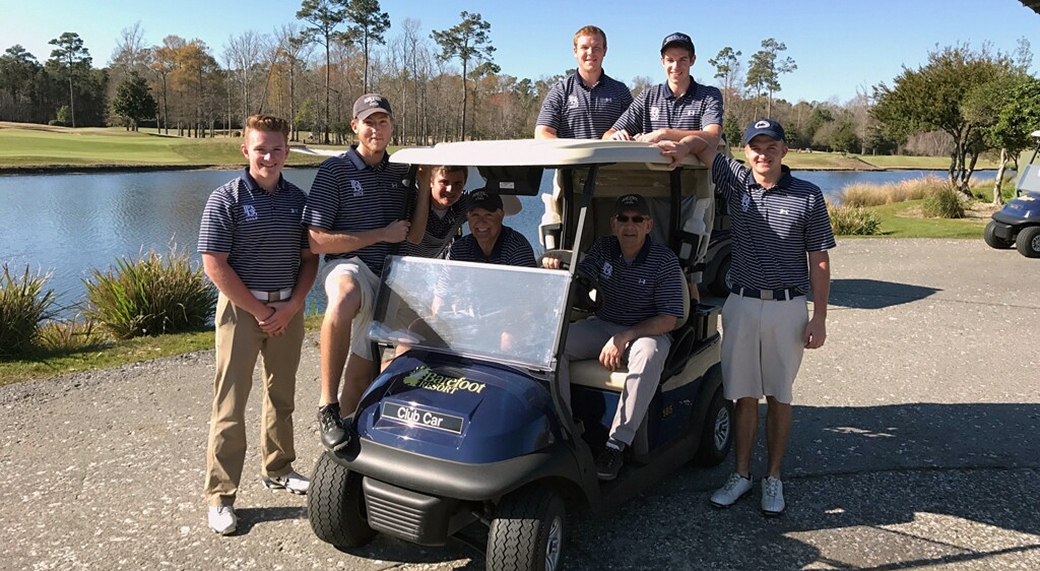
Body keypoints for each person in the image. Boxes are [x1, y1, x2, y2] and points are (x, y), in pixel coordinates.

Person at [657, 119, 834, 516]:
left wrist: (819, 317)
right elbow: (706, 146)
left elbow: (819, 260)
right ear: (748, 151)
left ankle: (773, 478)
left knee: (779, 395)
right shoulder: (737, 180)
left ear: (784, 151)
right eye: (756, 146)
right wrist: (676, 143)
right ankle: (741, 475)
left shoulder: (808, 195)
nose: (762, 154)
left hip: (787, 308)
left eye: (771, 147)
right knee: (743, 395)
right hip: (740, 303)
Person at [198, 114, 319, 535]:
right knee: (230, 405)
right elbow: (215, 264)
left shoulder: (298, 201)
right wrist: (259, 310)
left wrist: (292, 306)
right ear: (246, 150)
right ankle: (221, 495)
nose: (269, 156)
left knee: (281, 395)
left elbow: (309, 259)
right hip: (241, 312)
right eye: (261, 148)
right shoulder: (225, 199)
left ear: (287, 151)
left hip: (288, 309)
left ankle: (279, 468)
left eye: (277, 149)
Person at [302, 94, 430, 452]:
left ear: (391, 127)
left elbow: (415, 235)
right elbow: (316, 241)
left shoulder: (401, 170)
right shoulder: (335, 170)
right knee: (343, 297)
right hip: (349, 266)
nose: (376, 129)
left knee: (359, 378)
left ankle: (342, 453)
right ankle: (326, 406)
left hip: (386, 278)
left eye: (383, 122)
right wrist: (380, 235)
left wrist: (422, 185)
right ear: (355, 126)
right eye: (369, 122)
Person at [542, 194, 685, 481]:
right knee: (551, 345)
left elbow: (669, 319)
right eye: (623, 219)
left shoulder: (663, 260)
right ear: (613, 224)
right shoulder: (604, 248)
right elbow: (583, 275)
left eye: (637, 220)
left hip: (647, 331)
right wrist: (557, 264)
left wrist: (626, 335)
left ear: (648, 225)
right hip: (605, 324)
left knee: (649, 354)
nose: (629, 226)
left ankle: (616, 444)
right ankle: (567, 431)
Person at [603, 32, 723, 147]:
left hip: (693, 168)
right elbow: (608, 135)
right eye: (670, 60)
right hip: (651, 167)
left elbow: (712, 137)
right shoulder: (647, 96)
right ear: (662, 61)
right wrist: (615, 136)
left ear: (692, 60)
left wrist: (663, 134)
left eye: (682, 60)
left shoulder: (709, 95)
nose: (675, 66)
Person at [535, 25, 633, 140]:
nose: (590, 53)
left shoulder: (620, 91)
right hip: (572, 157)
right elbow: (542, 133)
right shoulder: (560, 91)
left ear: (605, 51)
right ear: (575, 51)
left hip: (611, 157)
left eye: (596, 47)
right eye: (584, 47)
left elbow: (635, 129)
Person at [445, 190, 537, 267]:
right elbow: (445, 287)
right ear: (467, 217)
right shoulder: (458, 249)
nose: (481, 221)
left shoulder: (517, 248)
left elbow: (528, 287)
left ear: (501, 215)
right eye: (475, 215)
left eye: (488, 215)